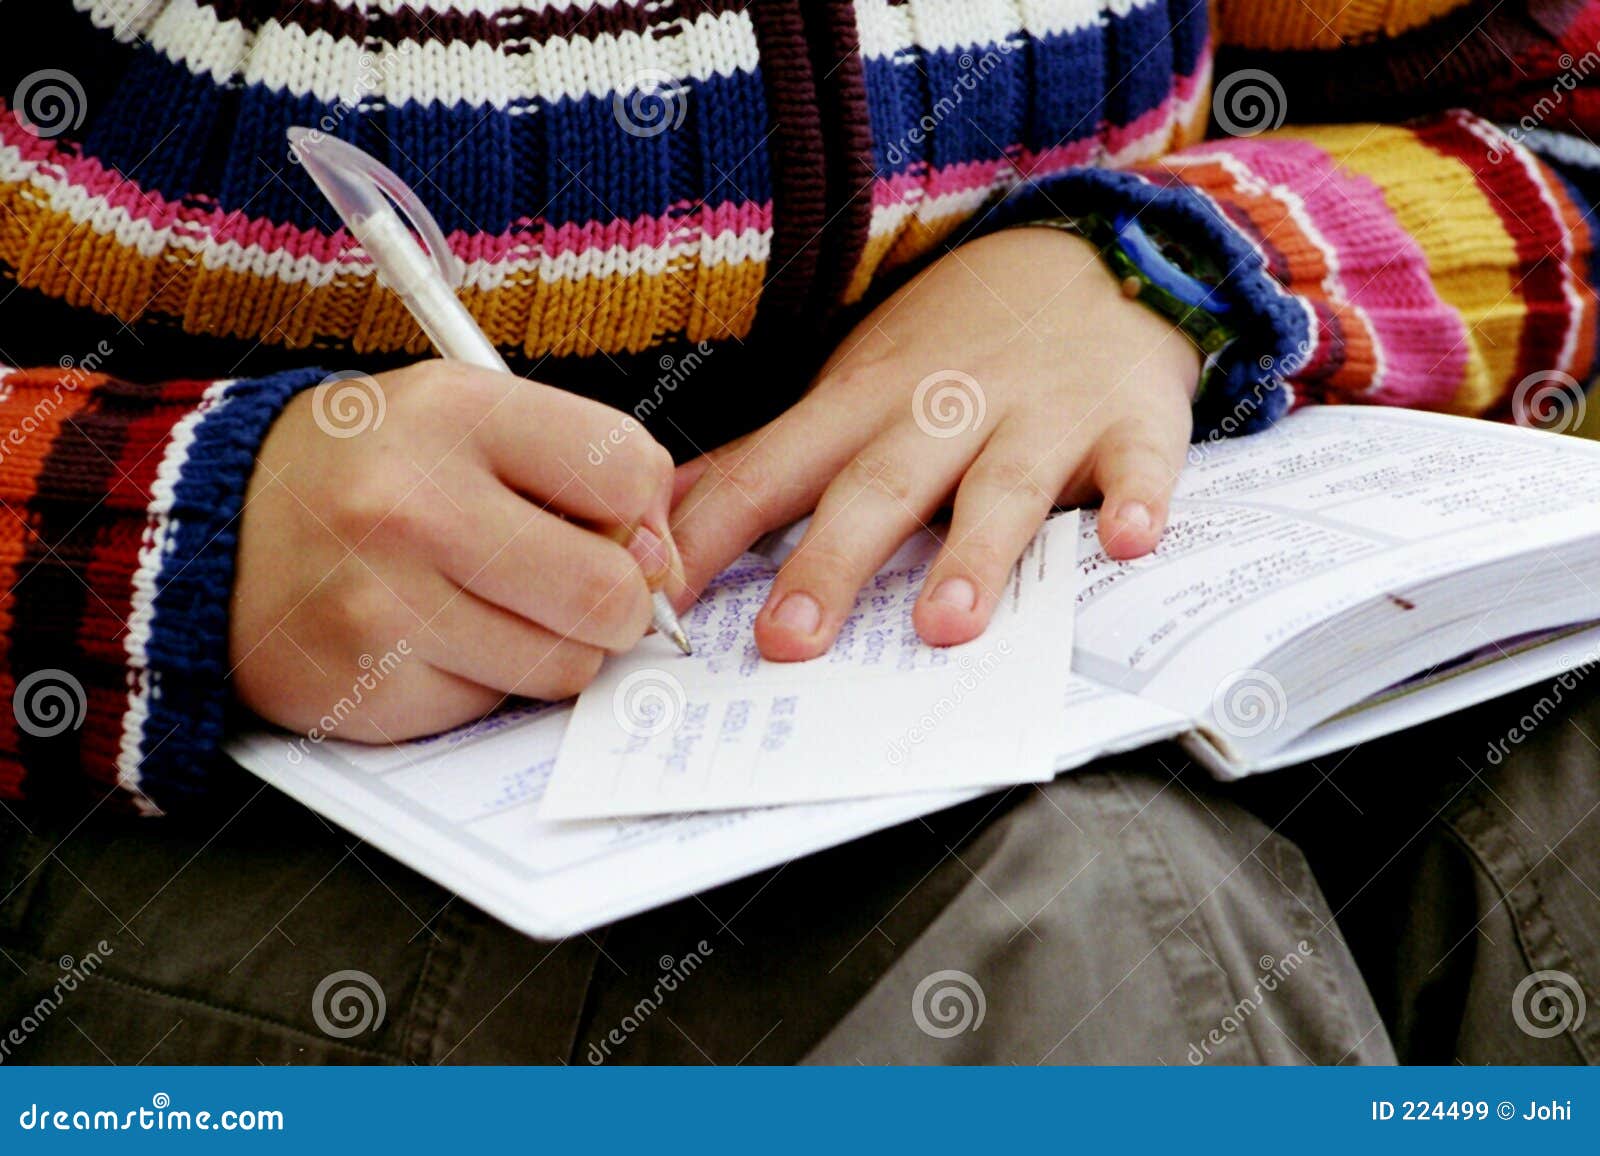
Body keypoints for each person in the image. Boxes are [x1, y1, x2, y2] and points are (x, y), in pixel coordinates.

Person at [0, 0, 1597, 1064]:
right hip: (194, 813)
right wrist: (176, 534)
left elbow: (1558, 109)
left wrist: (1177, 265)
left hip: (1120, 601)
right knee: (1074, 951)